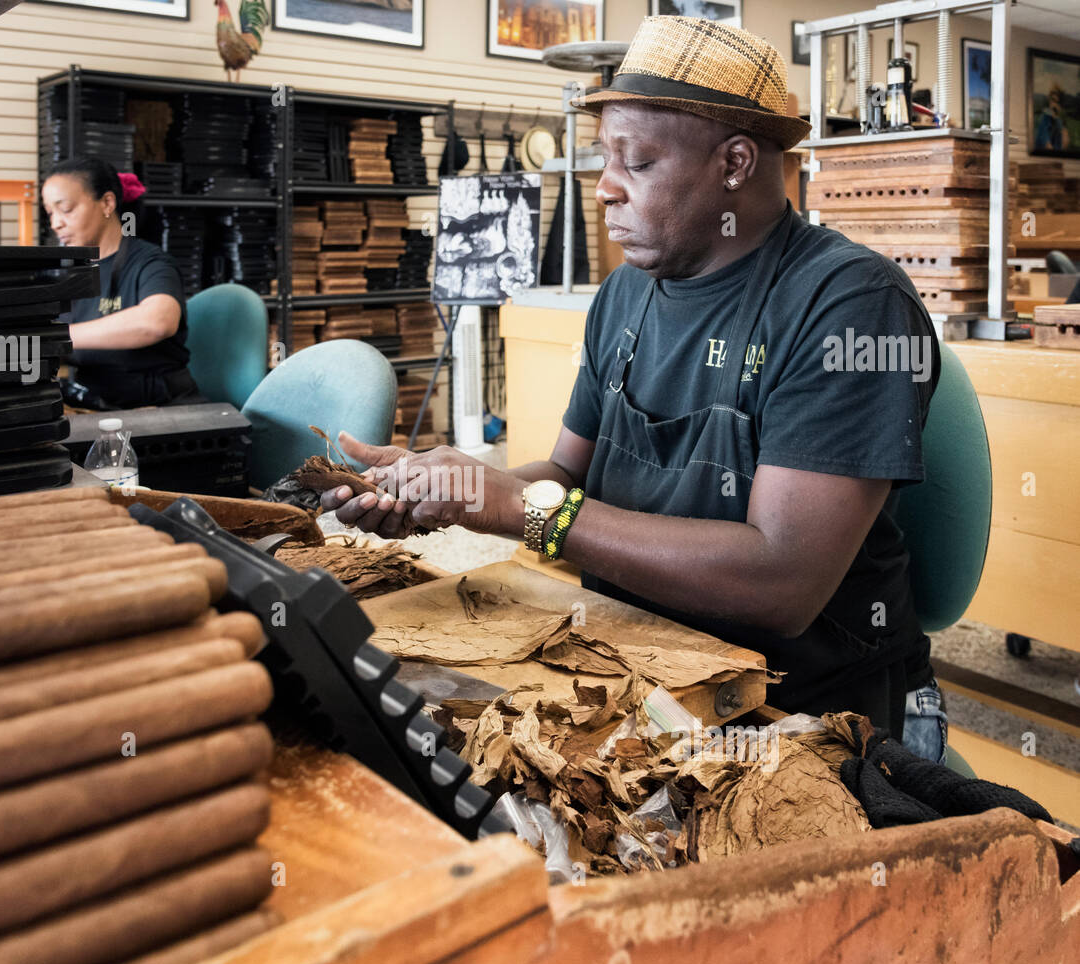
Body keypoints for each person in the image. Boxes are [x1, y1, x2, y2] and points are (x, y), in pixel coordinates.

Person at [321, 16, 948, 760]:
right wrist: (454, 490)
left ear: (736, 164)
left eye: (637, 162)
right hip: (641, 671)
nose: (605, 188)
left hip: (809, 715)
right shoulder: (626, 294)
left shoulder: (848, 304)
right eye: (603, 158)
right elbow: (564, 476)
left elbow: (784, 580)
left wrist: (520, 512)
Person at [42, 157, 199, 409]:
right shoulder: (71, 275)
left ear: (107, 203)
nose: (55, 223)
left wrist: (57, 336)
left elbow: (157, 322)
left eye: (67, 209)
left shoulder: (150, 262)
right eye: (50, 212)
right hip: (95, 407)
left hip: (158, 408)